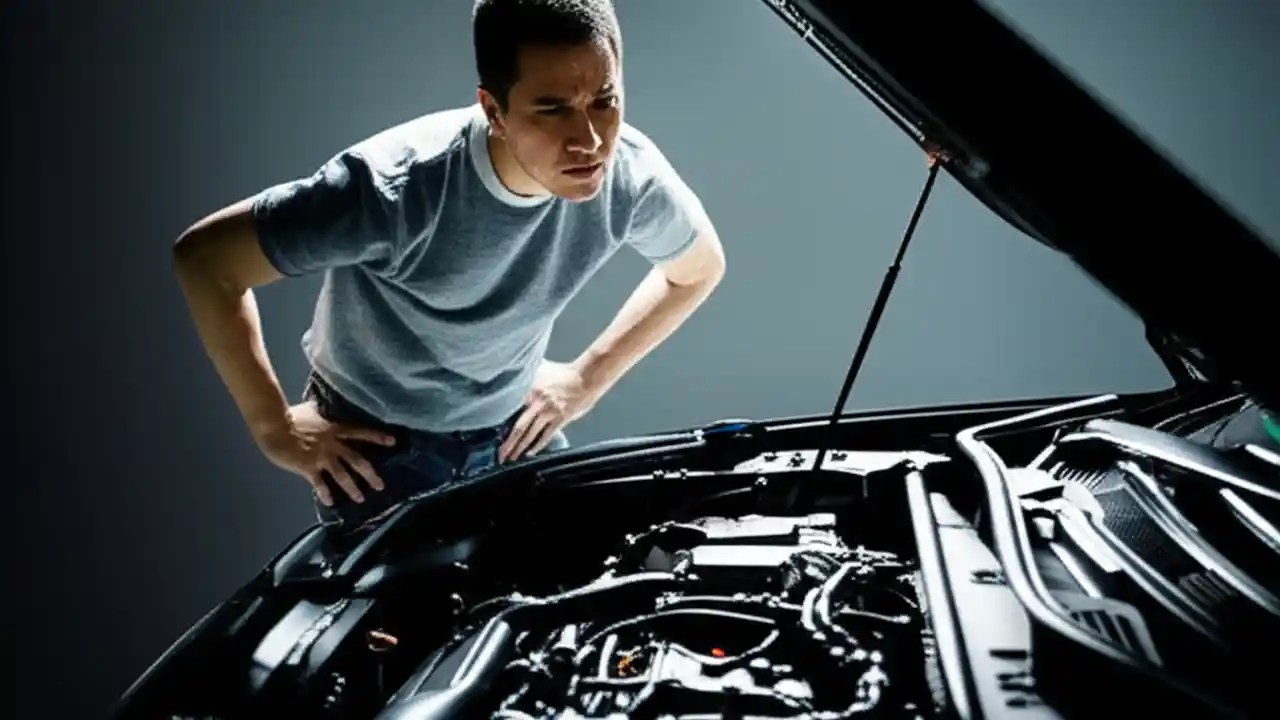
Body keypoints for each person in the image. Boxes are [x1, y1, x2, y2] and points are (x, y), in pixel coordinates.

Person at [171, 0, 726, 530]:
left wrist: (585, 378)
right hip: (378, 446)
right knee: (405, 625)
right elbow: (206, 260)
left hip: (512, 428)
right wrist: (275, 429)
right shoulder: (395, 187)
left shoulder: (630, 175)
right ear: (495, 111)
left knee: (573, 606)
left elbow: (699, 268)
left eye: (604, 100)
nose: (589, 140)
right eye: (552, 109)